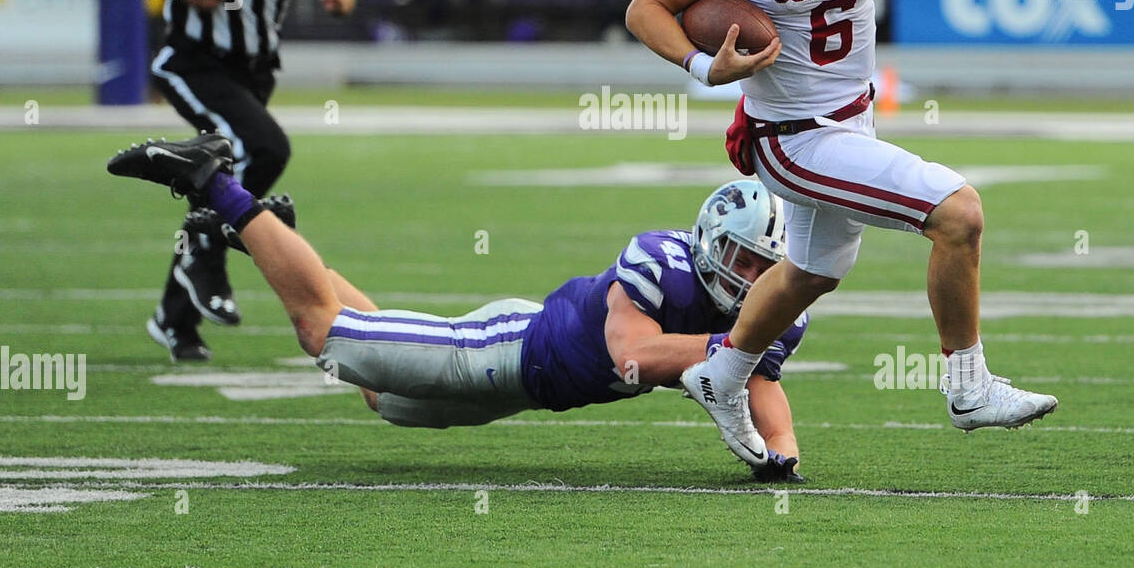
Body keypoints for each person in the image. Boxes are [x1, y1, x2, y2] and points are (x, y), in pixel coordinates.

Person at [625, 0, 1058, 467]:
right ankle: (969, 387)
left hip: (852, 118)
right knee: (959, 214)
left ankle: (723, 372)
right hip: (790, 136)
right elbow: (647, 9)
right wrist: (705, 69)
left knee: (809, 273)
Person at [107, 140, 808, 483]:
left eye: (762, 267)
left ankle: (271, 234)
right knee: (321, 332)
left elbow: (762, 378)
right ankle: (218, 184)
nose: (750, 278)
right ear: (710, 243)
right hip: (505, 346)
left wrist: (781, 456)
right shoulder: (660, 260)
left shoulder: (771, 312)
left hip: (528, 389)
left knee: (381, 396)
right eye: (742, 259)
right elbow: (633, 353)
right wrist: (726, 346)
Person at [112, 0, 359, 362]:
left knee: (216, 171)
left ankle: (173, 318)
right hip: (192, 60)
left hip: (254, 73)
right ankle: (204, 249)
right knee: (264, 148)